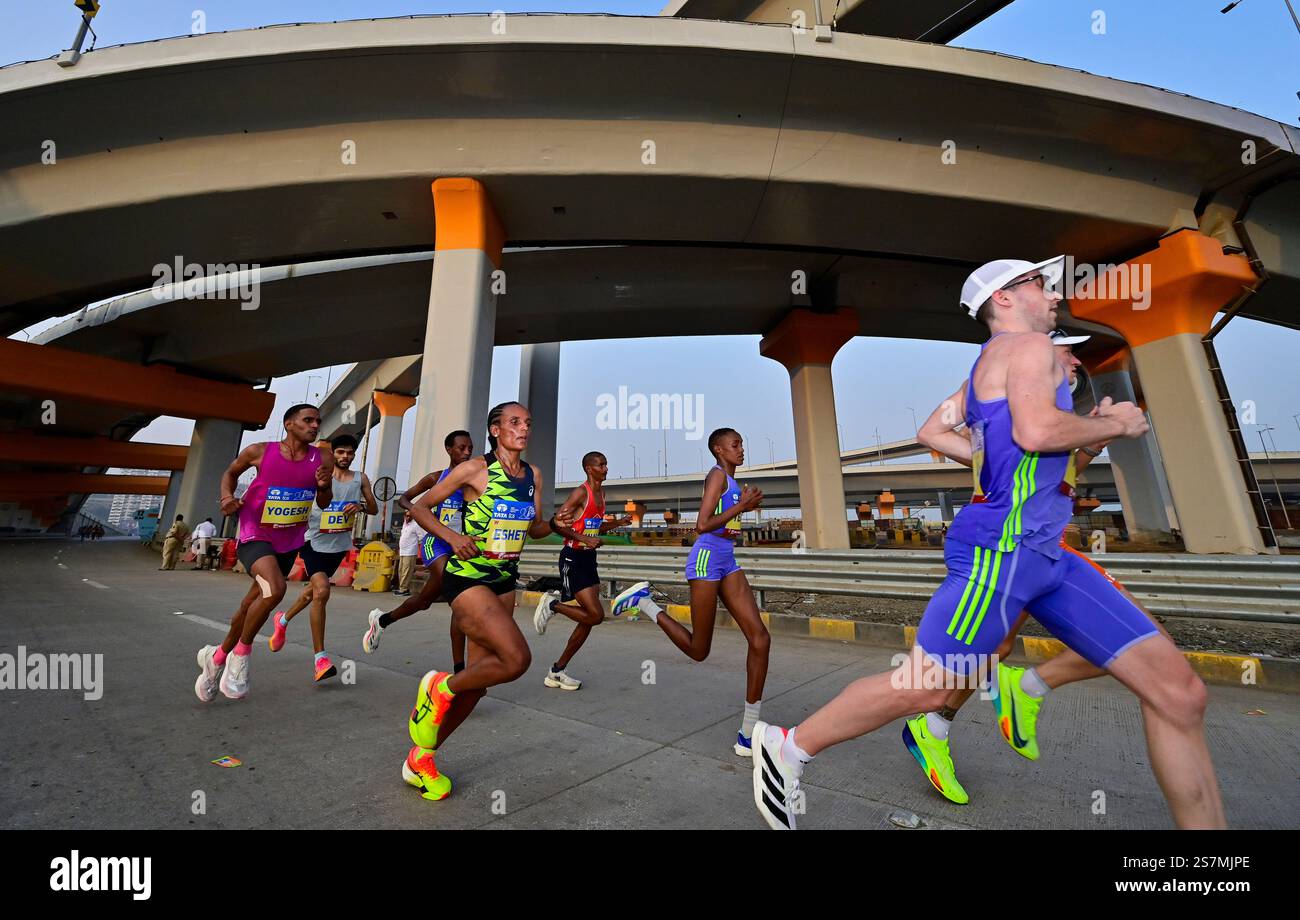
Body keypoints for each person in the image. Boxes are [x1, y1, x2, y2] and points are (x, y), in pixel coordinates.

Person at [751, 256, 1224, 830]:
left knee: (1179, 694)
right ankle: (788, 746)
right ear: (1004, 298)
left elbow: (945, 433)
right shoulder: (1028, 349)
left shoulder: (992, 366)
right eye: (1040, 284)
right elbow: (1036, 433)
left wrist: (1051, 445)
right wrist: (1115, 425)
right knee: (926, 687)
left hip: (1049, 555)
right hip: (999, 553)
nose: (1053, 294)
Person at [399, 401, 575, 801]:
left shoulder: (533, 475)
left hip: (504, 580)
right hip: (467, 580)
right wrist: (452, 537)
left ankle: (420, 759)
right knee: (516, 660)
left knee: (477, 687)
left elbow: (534, 528)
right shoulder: (474, 469)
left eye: (528, 422)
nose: (524, 428)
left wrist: (556, 525)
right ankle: (438, 689)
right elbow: (418, 506)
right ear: (495, 430)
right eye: (515, 422)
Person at [612, 428, 771, 757]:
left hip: (727, 559)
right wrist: (742, 506)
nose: (741, 450)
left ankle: (748, 731)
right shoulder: (716, 477)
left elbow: (726, 523)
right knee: (699, 650)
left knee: (761, 639)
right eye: (735, 445)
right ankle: (645, 604)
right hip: (706, 559)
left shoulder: (734, 482)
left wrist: (743, 504)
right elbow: (701, 524)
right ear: (718, 449)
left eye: (742, 443)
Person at [194, 404, 333, 702]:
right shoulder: (259, 451)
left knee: (250, 605)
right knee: (275, 589)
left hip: (288, 541)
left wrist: (324, 485)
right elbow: (230, 474)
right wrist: (227, 497)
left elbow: (324, 500)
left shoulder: (322, 457)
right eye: (307, 420)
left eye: (317, 421)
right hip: (254, 534)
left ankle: (216, 658)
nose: (314, 426)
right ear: (288, 424)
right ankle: (241, 656)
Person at [267, 434, 377, 681]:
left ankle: (283, 619)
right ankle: (321, 659)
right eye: (340, 452)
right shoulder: (318, 474)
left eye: (349, 453)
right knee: (323, 590)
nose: (345, 457)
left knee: (314, 591)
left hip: (338, 544)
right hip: (311, 539)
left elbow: (374, 508)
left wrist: (359, 505)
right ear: (333, 453)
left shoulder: (361, 479)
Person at [363, 430, 474, 660]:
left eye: (470, 448)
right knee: (458, 594)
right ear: (449, 450)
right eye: (461, 448)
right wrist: (413, 511)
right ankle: (459, 671)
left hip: (462, 546)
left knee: (424, 602)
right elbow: (405, 498)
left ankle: (383, 620)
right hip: (437, 542)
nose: (467, 452)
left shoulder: (474, 481)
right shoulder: (437, 478)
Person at [531, 451, 633, 690]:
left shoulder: (601, 494)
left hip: (588, 558)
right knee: (595, 615)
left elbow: (594, 527)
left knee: (589, 619)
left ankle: (557, 670)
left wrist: (617, 523)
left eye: (606, 463)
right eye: (601, 464)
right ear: (589, 468)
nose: (606, 468)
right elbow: (558, 525)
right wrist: (583, 540)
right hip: (573, 557)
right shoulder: (580, 493)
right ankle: (551, 605)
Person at [395, 511, 423, 597]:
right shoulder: (405, 524)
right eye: (406, 516)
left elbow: (421, 537)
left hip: (410, 551)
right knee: (401, 570)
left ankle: (404, 589)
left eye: (410, 516)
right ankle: (402, 587)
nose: (408, 518)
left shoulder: (415, 525)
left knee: (407, 571)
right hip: (403, 551)